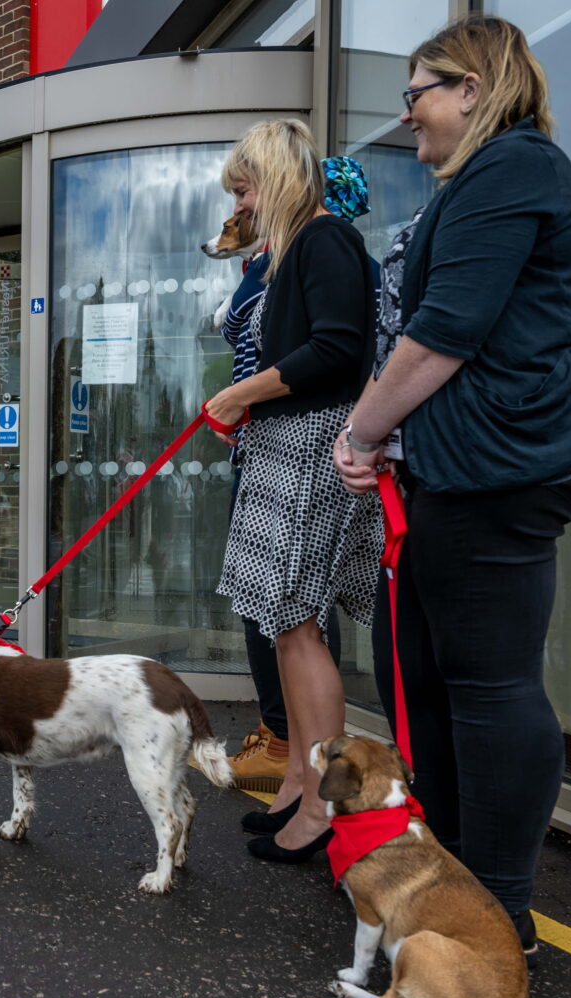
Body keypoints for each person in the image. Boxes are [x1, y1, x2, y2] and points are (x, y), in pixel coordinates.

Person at [333, 15, 571, 958]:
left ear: (471, 88)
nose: (406, 114)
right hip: (457, 468)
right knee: (418, 670)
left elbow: (445, 331)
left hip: (503, 466)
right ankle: (445, 874)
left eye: (416, 93)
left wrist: (361, 431)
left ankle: (498, 914)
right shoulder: (489, 177)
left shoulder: (512, 169)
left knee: (490, 686)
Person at [204, 119, 380, 862]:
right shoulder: (298, 247)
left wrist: (241, 392)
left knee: (300, 625)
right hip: (285, 441)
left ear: (273, 178)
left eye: (244, 187)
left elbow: (338, 348)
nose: (240, 203)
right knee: (282, 621)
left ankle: (321, 803)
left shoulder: (325, 238)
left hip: (310, 441)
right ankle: (294, 789)